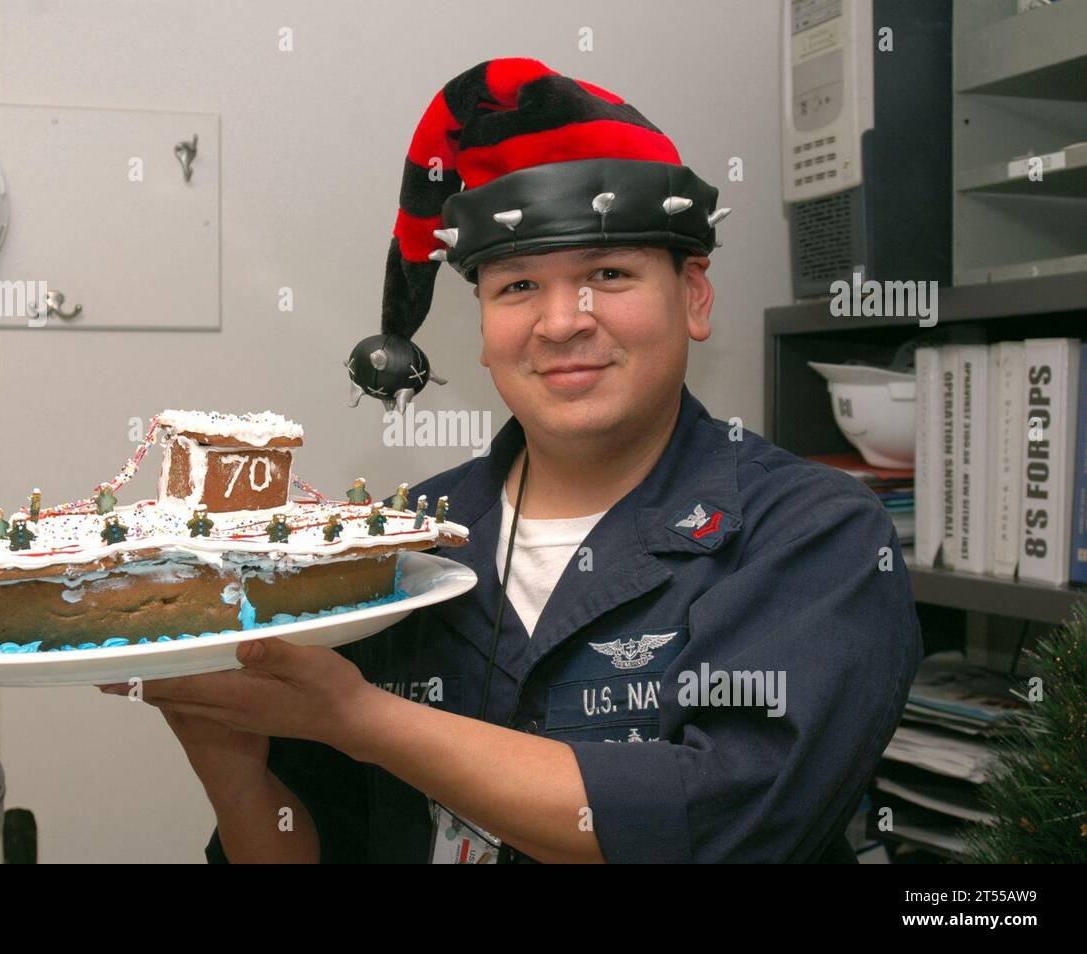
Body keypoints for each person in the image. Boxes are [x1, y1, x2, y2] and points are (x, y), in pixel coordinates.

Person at [100, 58, 922, 863]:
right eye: (518, 287)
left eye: (608, 273)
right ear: (484, 323)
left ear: (695, 296)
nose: (563, 322)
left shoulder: (815, 536)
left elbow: (724, 828)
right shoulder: (396, 549)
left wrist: (362, 719)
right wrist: (217, 738)